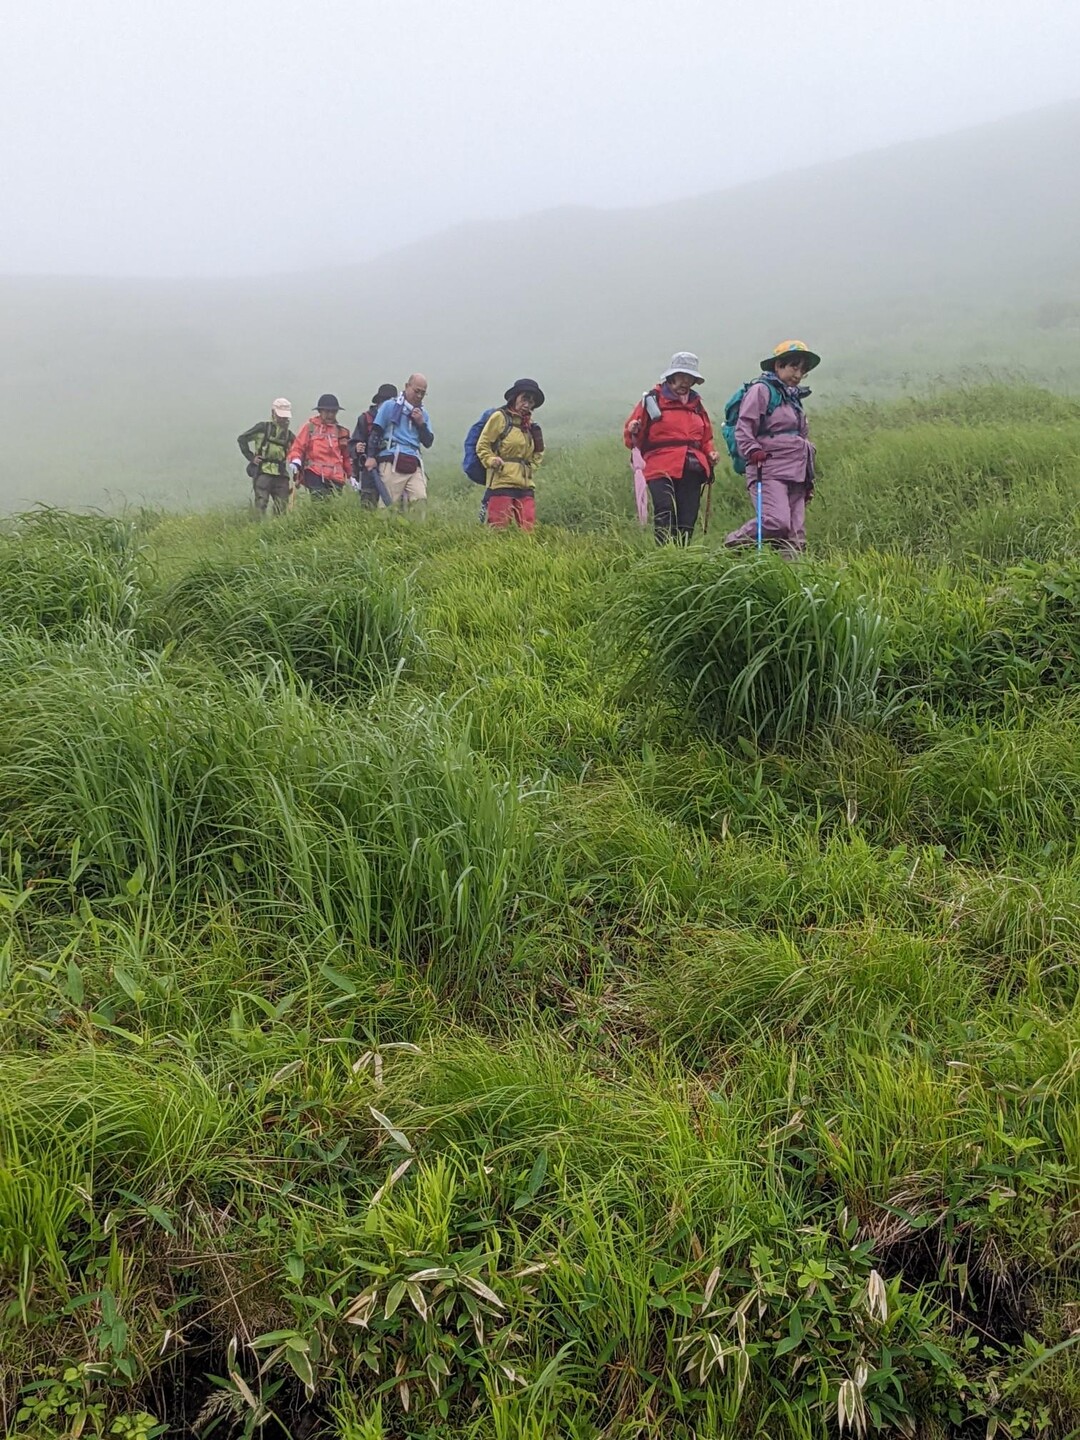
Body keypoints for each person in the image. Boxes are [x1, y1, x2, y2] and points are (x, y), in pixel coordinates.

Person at [724, 341, 820, 554]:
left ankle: (790, 581)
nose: (798, 374)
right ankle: (729, 547)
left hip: (797, 473)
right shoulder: (761, 390)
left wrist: (808, 478)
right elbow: (744, 426)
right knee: (775, 522)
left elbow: (802, 437)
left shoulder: (794, 399)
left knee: (795, 535)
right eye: (794, 366)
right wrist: (752, 451)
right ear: (778, 365)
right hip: (768, 468)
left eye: (803, 370)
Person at [624, 352, 719, 544]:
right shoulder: (652, 400)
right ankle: (664, 554)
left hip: (691, 465)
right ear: (671, 377)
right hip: (659, 464)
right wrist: (633, 428)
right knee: (665, 508)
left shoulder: (696, 405)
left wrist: (710, 452)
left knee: (687, 516)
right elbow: (631, 437)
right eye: (682, 376)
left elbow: (706, 437)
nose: (685, 382)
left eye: (690, 378)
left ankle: (681, 556)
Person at [476, 380, 545, 531]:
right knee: (499, 530)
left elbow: (538, 452)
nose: (528, 405)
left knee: (528, 531)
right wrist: (491, 460)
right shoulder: (500, 418)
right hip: (502, 483)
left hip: (525, 485)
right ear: (515, 398)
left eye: (531, 401)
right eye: (525, 399)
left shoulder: (531, 426)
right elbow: (483, 445)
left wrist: (531, 467)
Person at [364, 374, 433, 511]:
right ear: (407, 387)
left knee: (420, 500)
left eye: (423, 393)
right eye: (416, 391)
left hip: (414, 461)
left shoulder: (423, 414)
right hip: (391, 459)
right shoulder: (389, 406)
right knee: (388, 505)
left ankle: (417, 530)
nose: (419, 396)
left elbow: (428, 442)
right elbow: (376, 432)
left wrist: (420, 424)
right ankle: (383, 530)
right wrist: (371, 456)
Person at [237, 398, 296, 517]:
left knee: (281, 505)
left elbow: (298, 451)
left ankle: (278, 529)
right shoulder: (262, 428)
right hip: (263, 471)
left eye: (285, 417)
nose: (283, 419)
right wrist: (251, 457)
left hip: (281, 473)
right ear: (273, 413)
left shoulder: (289, 435)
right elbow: (242, 439)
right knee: (261, 502)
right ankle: (258, 529)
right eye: (280, 416)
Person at [287, 394, 353, 499]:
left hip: (336, 477)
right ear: (320, 411)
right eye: (327, 412)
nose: (330, 415)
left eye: (333, 412)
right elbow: (298, 446)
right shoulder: (310, 428)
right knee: (319, 501)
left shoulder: (342, 432)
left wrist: (351, 475)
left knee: (334, 506)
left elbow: (346, 456)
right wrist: (295, 460)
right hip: (315, 472)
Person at [350, 383, 397, 510]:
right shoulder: (365, 418)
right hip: (369, 470)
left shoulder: (397, 420)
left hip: (391, 466)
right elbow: (353, 443)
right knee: (368, 504)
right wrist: (356, 448)